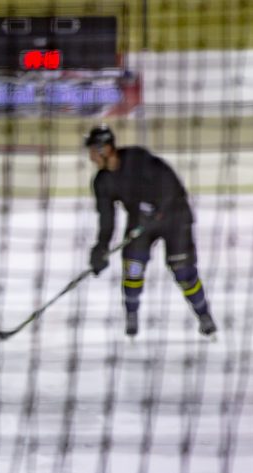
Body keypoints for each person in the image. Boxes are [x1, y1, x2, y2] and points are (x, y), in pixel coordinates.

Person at [84, 124, 218, 337]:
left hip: (175, 217)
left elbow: (171, 184)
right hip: (141, 224)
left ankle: (204, 315)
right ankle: (131, 315)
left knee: (183, 271)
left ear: (107, 148)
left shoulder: (138, 159)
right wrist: (101, 248)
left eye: (93, 150)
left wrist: (156, 209)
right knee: (133, 266)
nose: (91, 157)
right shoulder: (102, 181)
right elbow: (107, 219)